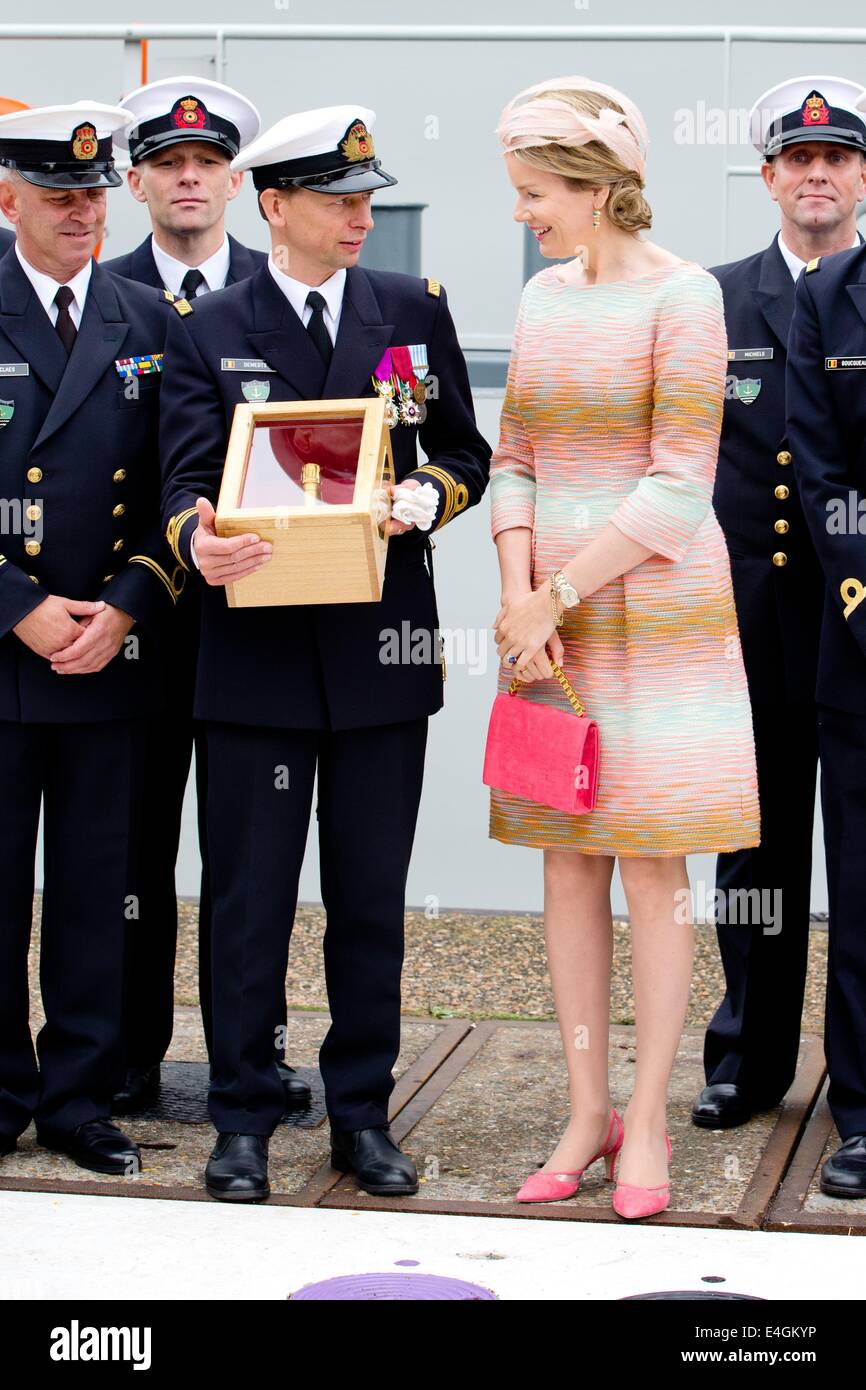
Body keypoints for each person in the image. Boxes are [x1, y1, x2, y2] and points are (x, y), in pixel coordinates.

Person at [160, 105, 490, 1203]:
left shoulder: (409, 310)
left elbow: (461, 449)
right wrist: (195, 539)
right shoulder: (211, 324)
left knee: (367, 900)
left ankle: (361, 1114)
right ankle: (243, 1116)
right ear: (274, 208)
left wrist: (422, 495)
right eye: (337, 200)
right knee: (248, 901)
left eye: (364, 198)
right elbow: (182, 475)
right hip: (251, 656)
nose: (360, 216)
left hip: (376, 654)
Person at [489, 76, 760, 1219]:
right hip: (544, 630)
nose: (522, 213)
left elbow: (675, 487)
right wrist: (514, 598)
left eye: (535, 192)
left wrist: (550, 591)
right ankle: (583, 1105)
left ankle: (645, 1114)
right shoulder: (543, 298)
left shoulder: (685, 297)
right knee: (565, 865)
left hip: (654, 623)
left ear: (599, 188)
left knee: (653, 869)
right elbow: (513, 455)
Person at [100, 78, 309, 1116]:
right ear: (136, 182)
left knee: (250, 866)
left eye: (205, 165)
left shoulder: (285, 295)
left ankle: (252, 1065)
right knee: (130, 854)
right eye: (166, 165)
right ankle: (129, 1059)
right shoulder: (101, 296)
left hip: (255, 623)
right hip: (133, 623)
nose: (187, 180)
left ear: (237, 181)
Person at [0, 101, 184, 1175]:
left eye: (94, 194)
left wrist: (125, 600)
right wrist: (15, 603)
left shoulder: (145, 318)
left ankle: (78, 1098)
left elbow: (180, 482)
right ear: (9, 198)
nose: (83, 213)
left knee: (91, 887)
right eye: (61, 196)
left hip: (107, 651)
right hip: (4, 642)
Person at [694, 77, 866, 1132]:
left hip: (853, 623)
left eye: (834, 159)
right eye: (795, 160)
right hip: (748, 623)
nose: (814, 175)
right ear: (765, 176)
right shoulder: (707, 300)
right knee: (752, 853)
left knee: (855, 856)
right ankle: (746, 1061)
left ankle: (858, 1083)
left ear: (859, 177)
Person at [785, 88, 866, 1199]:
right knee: (860, 888)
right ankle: (861, 1110)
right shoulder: (832, 298)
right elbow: (819, 466)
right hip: (865, 643)